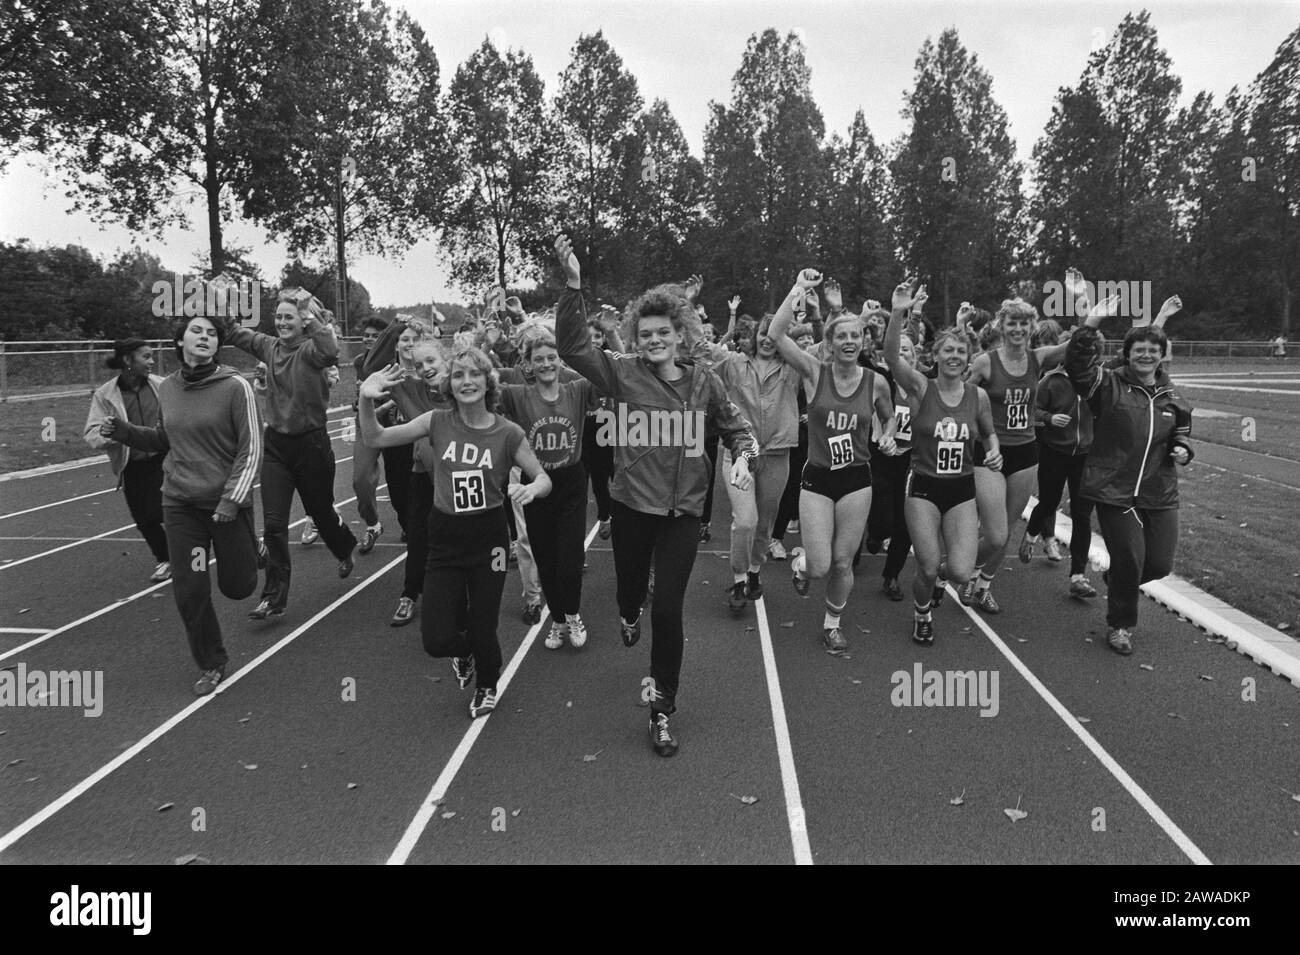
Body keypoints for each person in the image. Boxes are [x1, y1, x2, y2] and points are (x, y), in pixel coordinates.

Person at [554, 235, 757, 757]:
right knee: (630, 593)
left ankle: (662, 708)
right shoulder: (621, 374)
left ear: (681, 334)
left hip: (682, 514)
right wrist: (573, 286)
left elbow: (737, 429)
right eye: (644, 333)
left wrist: (744, 457)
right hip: (631, 509)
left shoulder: (704, 381)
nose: (653, 340)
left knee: (668, 607)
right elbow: (574, 348)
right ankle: (626, 613)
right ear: (633, 336)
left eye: (663, 332)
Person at [359, 348, 552, 718]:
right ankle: (465, 652)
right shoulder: (436, 422)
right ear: (450, 384)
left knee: (483, 623)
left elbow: (543, 477)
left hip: (489, 539)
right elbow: (375, 438)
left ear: (487, 381)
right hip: (445, 536)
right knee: (435, 639)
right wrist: (366, 400)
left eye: (474, 374)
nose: (466, 381)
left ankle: (487, 683)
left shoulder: (508, 433)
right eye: (459, 375)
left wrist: (532, 489)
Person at [99, 317, 263, 694]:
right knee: (190, 589)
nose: (205, 337)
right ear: (179, 342)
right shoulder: (168, 389)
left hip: (225, 505)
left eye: (212, 334)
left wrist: (231, 500)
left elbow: (251, 448)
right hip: (180, 503)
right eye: (197, 331)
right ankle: (212, 662)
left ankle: (256, 550)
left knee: (239, 587)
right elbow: (163, 439)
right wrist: (123, 432)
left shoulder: (235, 386)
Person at [960, 278, 1115, 613]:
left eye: (1023, 323)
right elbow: (962, 402)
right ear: (1002, 326)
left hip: (1026, 452)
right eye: (1011, 322)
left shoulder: (1039, 358)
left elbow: (1075, 347)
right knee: (996, 532)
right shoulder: (985, 362)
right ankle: (961, 567)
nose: (1017, 328)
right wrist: (977, 437)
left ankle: (983, 583)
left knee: (1011, 525)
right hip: (990, 453)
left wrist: (1090, 315)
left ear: (1031, 327)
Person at [769, 269, 895, 655]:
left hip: (857, 479)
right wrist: (798, 289)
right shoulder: (813, 371)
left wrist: (887, 433)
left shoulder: (875, 382)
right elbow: (776, 335)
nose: (849, 341)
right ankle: (802, 564)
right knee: (820, 565)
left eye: (855, 335)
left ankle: (832, 623)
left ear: (863, 341)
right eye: (841, 335)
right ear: (830, 341)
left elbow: (888, 417)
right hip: (818, 479)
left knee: (843, 563)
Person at [224, 288, 358, 621]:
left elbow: (330, 348)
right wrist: (217, 301)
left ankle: (343, 546)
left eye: (290, 317)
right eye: (279, 317)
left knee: (321, 512)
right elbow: (234, 332)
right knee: (273, 524)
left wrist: (309, 314)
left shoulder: (313, 351)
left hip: (312, 445)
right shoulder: (269, 347)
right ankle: (274, 597)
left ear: (303, 321)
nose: (283, 322)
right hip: (277, 448)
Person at [1064, 322, 1194, 655]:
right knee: (1130, 558)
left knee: (1161, 564)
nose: (1146, 355)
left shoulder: (1172, 395)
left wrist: (1182, 449)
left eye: (1153, 350)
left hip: (1159, 490)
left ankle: (1117, 579)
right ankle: (1120, 625)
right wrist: (1089, 326)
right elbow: (1077, 367)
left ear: (1161, 355)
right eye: (1139, 350)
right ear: (1128, 354)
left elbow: (1180, 430)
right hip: (1114, 488)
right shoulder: (1108, 386)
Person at [883, 282, 1000, 644]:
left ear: (968, 358)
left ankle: (936, 584)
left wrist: (995, 450)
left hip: (961, 490)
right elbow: (891, 357)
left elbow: (989, 432)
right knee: (928, 566)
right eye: (947, 350)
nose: (954, 356)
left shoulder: (977, 396)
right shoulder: (921, 386)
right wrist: (899, 312)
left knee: (961, 573)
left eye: (960, 351)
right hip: (923, 487)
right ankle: (922, 614)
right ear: (936, 356)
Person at [499, 327, 595, 649]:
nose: (545, 364)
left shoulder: (578, 390)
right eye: (538, 359)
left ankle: (573, 614)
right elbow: (484, 382)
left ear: (560, 360)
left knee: (569, 558)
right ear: (527, 364)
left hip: (570, 481)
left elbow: (610, 377)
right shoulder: (518, 395)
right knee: (545, 558)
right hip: (535, 483)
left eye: (551, 357)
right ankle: (556, 619)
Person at [701, 315, 802, 612]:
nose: (767, 339)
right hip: (738, 454)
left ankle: (755, 571)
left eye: (774, 334)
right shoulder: (733, 363)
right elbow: (698, 349)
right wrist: (688, 305)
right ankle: (738, 577)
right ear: (755, 335)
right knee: (745, 520)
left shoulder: (793, 370)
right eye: (763, 333)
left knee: (765, 522)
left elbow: (824, 351)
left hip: (778, 455)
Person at [84, 339, 171, 582]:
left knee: (157, 511)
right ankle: (166, 558)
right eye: (146, 356)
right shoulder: (105, 395)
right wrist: (109, 434)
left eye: (152, 356)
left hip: (162, 458)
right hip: (131, 464)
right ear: (127, 360)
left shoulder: (162, 386)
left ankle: (190, 546)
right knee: (142, 519)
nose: (152, 361)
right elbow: (91, 434)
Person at [387, 339, 450, 626]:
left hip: (458, 477)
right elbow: (372, 366)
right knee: (418, 536)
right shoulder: (411, 390)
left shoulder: (464, 387)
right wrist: (396, 331)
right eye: (418, 365)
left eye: (431, 361)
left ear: (445, 359)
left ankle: (452, 599)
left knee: (456, 541)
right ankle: (410, 594)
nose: (425, 369)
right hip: (424, 474)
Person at [1022, 359, 1097, 598]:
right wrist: (1050, 418)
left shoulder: (1098, 381)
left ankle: (1078, 576)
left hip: (1085, 456)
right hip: (1055, 452)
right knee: (1048, 503)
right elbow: (1031, 409)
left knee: (1082, 515)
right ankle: (1031, 535)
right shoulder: (1051, 381)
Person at [867, 330, 917, 600]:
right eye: (899, 351)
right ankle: (875, 533)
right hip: (880, 454)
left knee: (905, 524)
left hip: (910, 461)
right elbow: (870, 357)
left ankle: (891, 576)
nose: (903, 355)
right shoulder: (883, 380)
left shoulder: (922, 386)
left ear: (916, 356)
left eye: (907, 350)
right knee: (881, 515)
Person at [769, 321, 814, 558]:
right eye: (801, 339)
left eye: (810, 338)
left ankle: (781, 537)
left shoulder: (816, 368)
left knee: (802, 490)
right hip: (788, 437)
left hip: (813, 440)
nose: (807, 342)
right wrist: (798, 416)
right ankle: (770, 538)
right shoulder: (786, 368)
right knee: (784, 489)